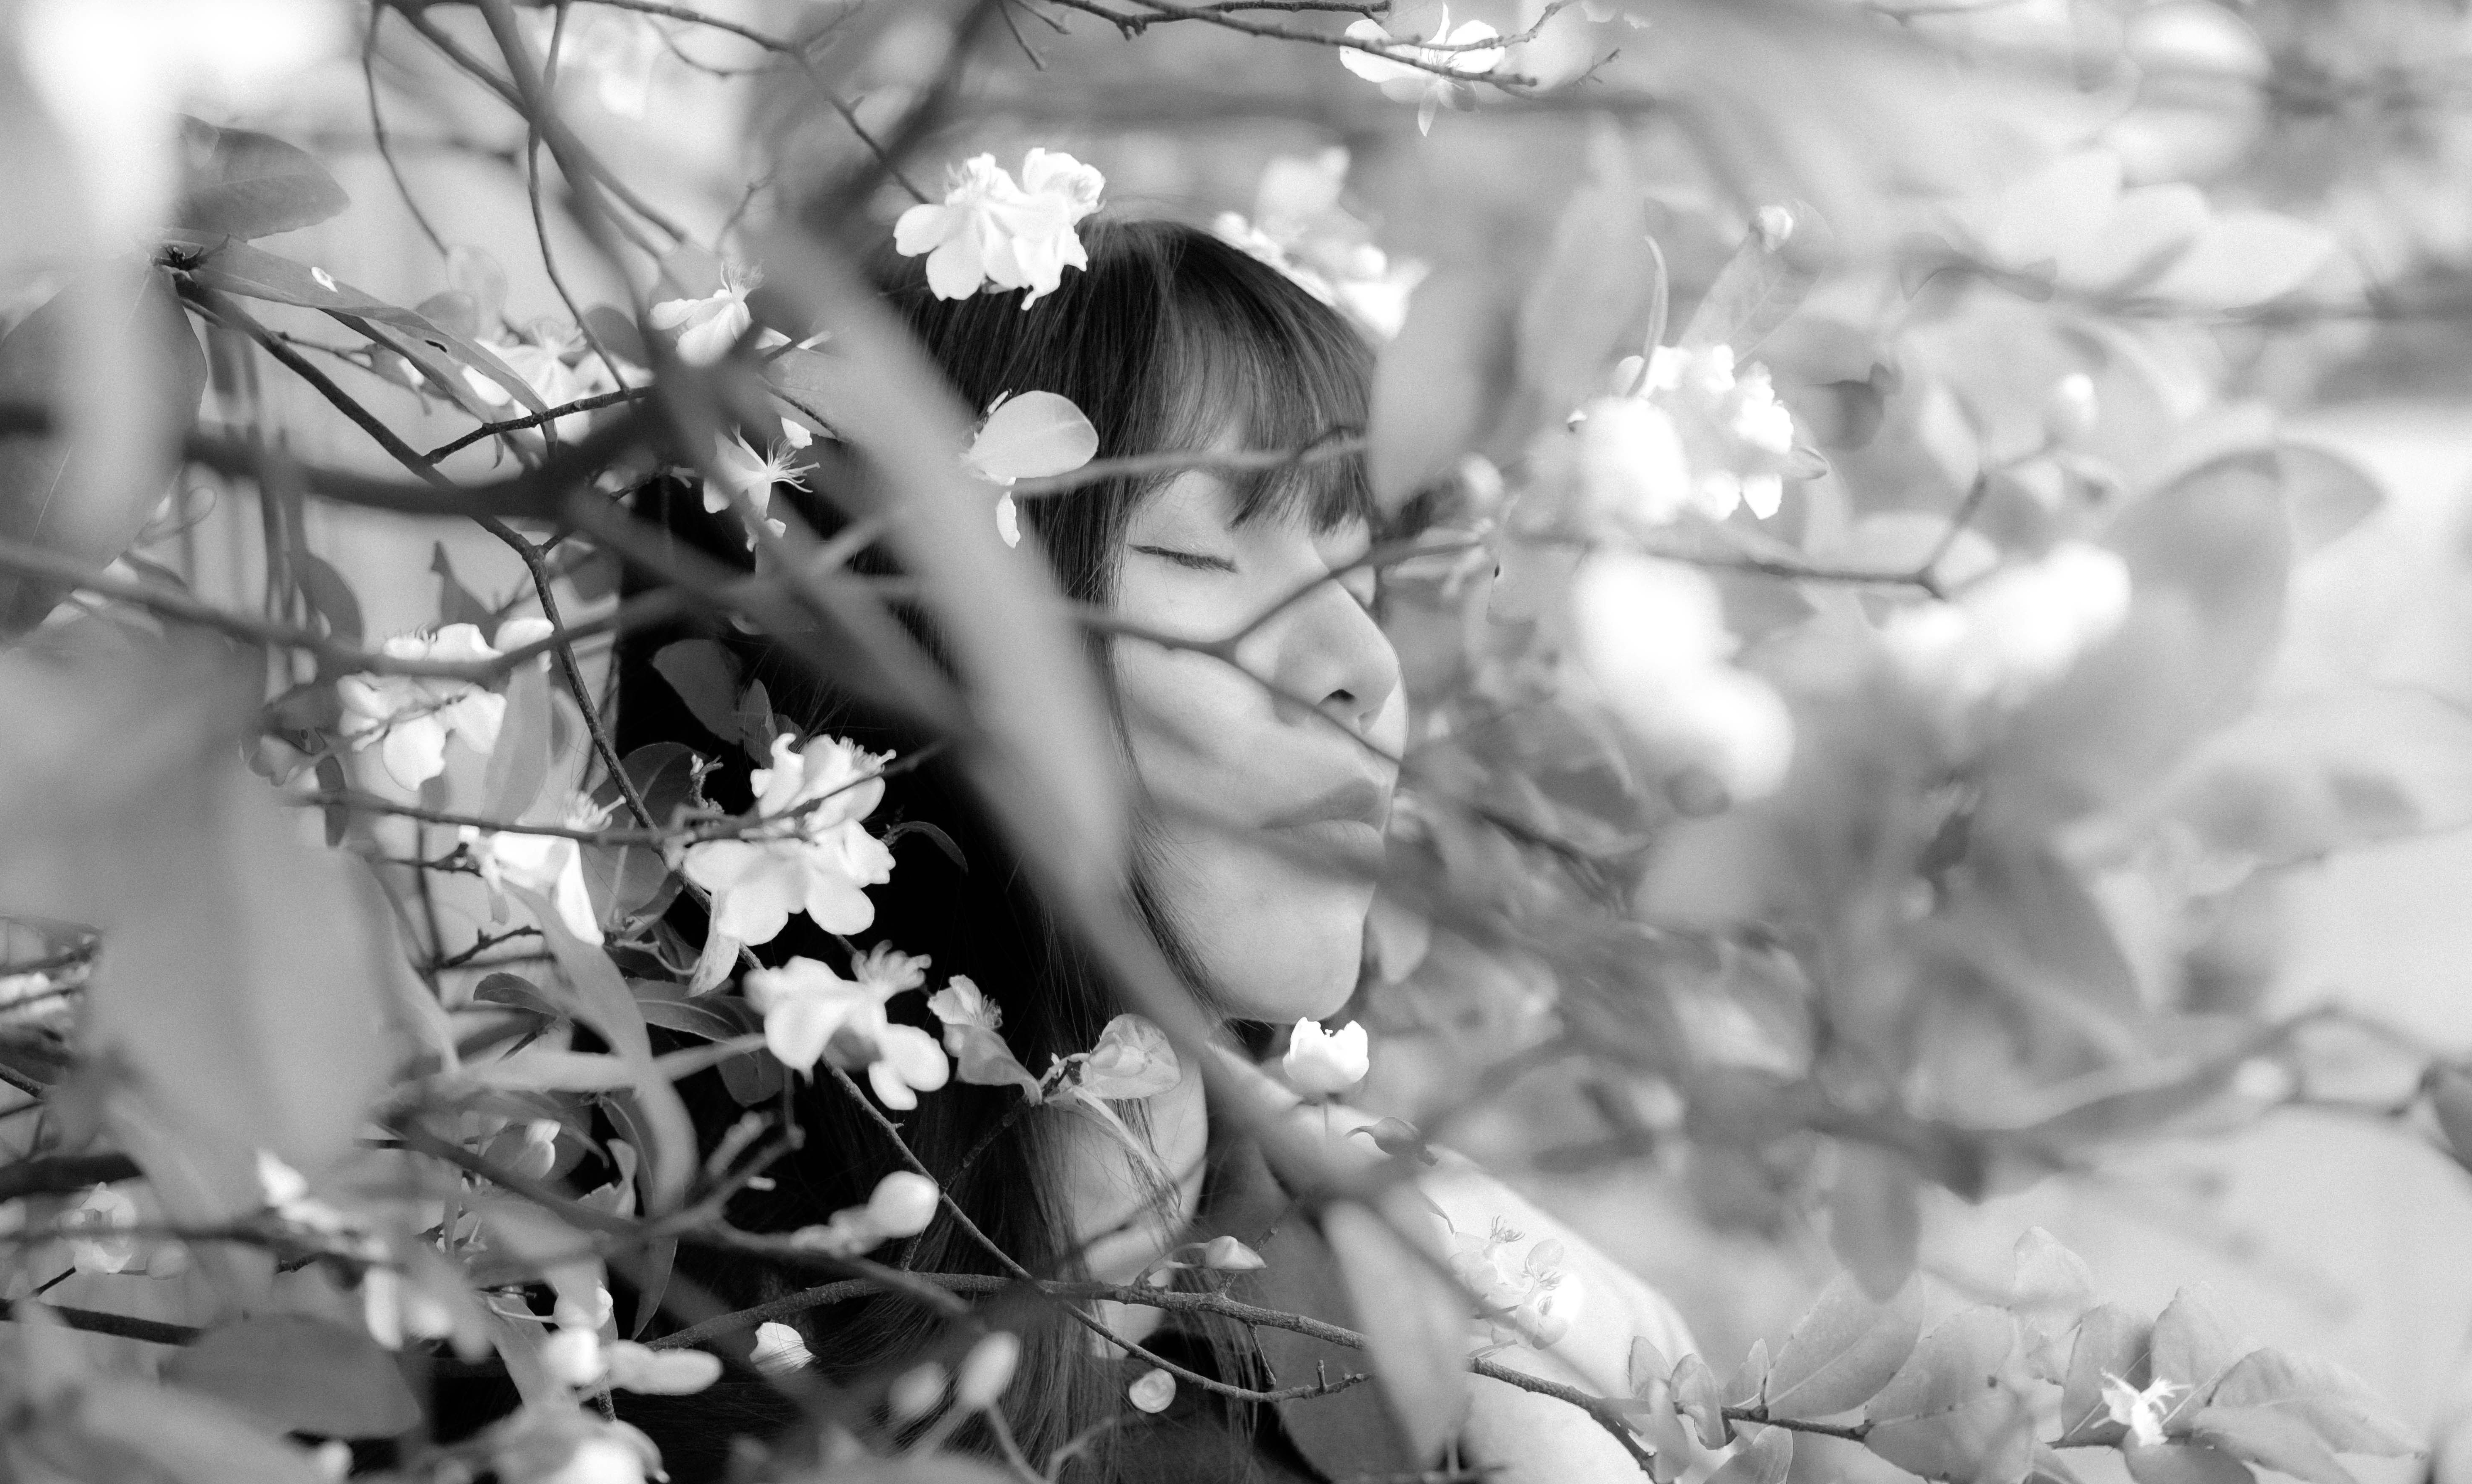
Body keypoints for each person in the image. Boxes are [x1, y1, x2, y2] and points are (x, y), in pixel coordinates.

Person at [606, 217, 1694, 1482]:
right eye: (1196, 551)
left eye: (1359, 576)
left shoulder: (1455, 1347)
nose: (1364, 670)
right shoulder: (571, 1352)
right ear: (898, 653)